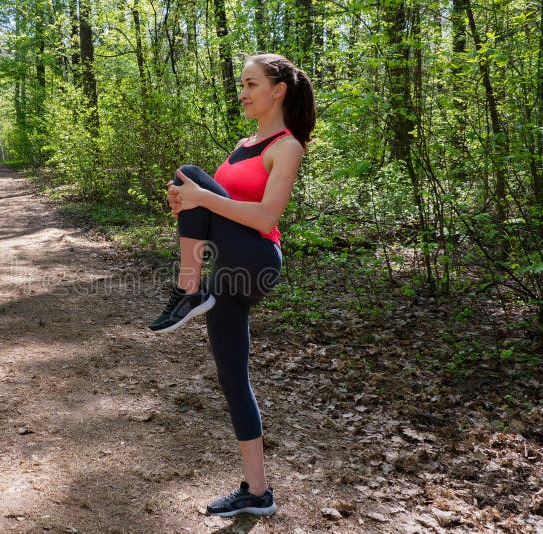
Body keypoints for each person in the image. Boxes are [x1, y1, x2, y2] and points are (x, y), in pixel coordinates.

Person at [148, 53, 316, 517]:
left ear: (278, 90)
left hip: (258, 258)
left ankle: (188, 291)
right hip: (225, 270)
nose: (242, 93)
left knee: (192, 175)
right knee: (232, 378)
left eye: (250, 84)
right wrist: (185, 204)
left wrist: (199, 195)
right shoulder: (242, 145)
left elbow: (264, 218)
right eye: (241, 84)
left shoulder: (286, 146)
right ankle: (257, 492)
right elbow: (213, 212)